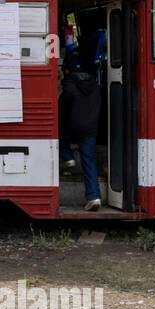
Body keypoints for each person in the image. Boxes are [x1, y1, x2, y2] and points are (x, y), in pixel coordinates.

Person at [59, 52, 101, 211]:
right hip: (90, 128)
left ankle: (68, 157)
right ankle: (94, 196)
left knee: (57, 126)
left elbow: (61, 109)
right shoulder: (95, 85)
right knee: (88, 160)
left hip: (73, 128)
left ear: (68, 70)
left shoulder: (69, 84)